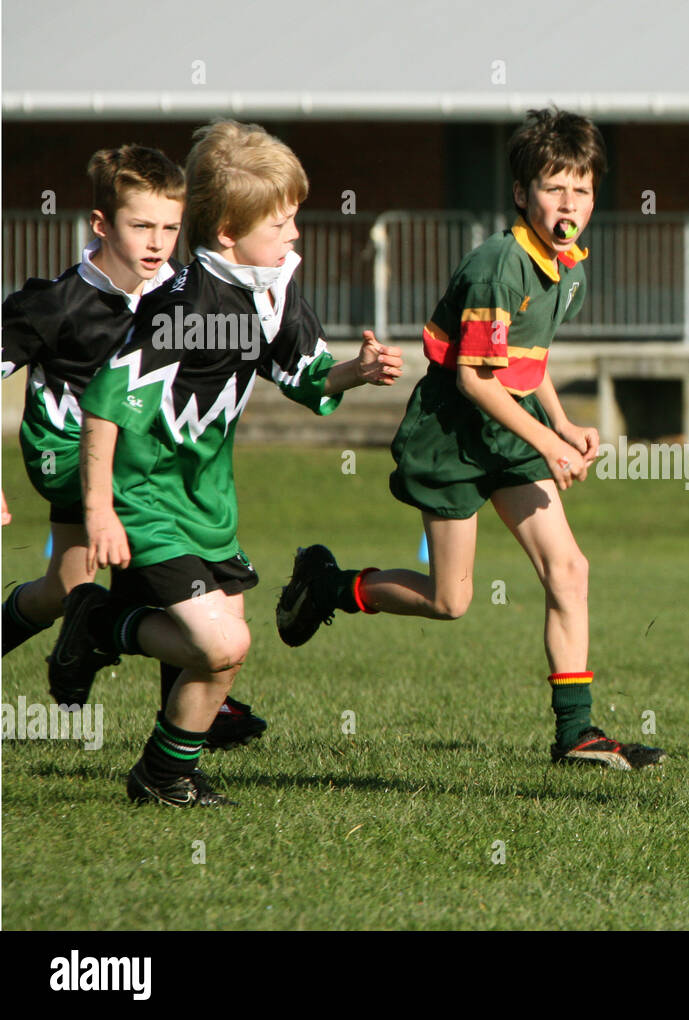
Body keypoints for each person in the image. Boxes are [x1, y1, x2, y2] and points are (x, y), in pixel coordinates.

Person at [275, 108, 665, 770]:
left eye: (582, 189)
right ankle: (329, 586)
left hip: (509, 427)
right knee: (449, 600)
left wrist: (562, 422)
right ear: (521, 194)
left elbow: (525, 362)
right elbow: (476, 381)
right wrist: (548, 444)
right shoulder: (499, 264)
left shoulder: (568, 266)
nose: (568, 203)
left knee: (569, 569)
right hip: (454, 431)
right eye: (553, 187)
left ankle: (577, 734)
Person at [48, 120, 403, 805]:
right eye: (281, 223)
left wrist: (356, 371)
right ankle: (150, 747)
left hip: (209, 504)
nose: (295, 235)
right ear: (228, 235)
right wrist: (97, 510)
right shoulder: (186, 307)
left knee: (217, 651)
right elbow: (103, 403)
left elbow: (304, 375)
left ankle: (162, 749)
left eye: (294, 218)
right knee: (222, 645)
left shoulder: (269, 290)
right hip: (147, 501)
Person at [0, 143, 266, 748]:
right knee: (169, 536)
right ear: (101, 224)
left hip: (132, 457)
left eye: (170, 227)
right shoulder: (53, 304)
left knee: (61, 590)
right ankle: (186, 677)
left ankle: (103, 631)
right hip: (69, 456)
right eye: (141, 225)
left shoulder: (179, 292)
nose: (158, 242)